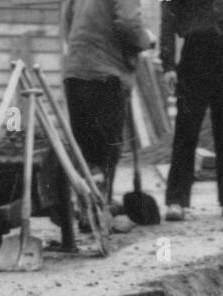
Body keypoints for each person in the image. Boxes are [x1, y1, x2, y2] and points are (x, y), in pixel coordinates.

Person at [59, 0, 154, 231]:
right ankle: (100, 212)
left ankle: (87, 211)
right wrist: (146, 40)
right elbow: (129, 24)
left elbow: (66, 23)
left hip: (75, 71)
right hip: (106, 75)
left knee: (85, 148)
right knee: (107, 148)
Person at [159, 0, 223, 220]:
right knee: (186, 131)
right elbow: (168, 17)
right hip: (195, 56)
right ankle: (177, 200)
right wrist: (168, 65)